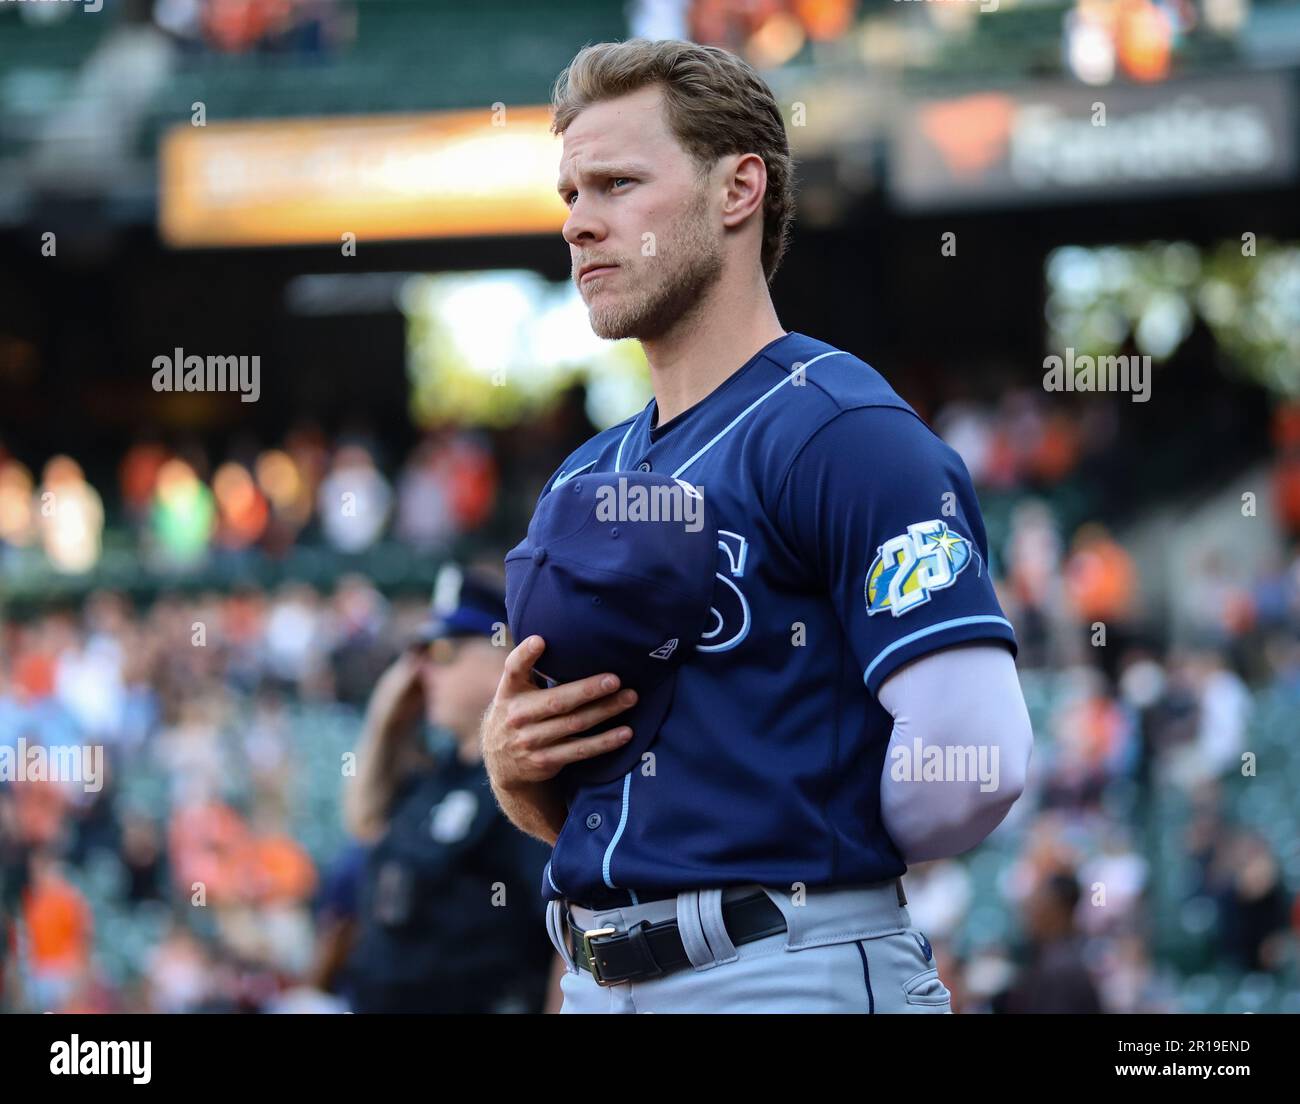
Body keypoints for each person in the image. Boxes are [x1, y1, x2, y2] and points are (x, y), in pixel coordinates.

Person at [481, 38, 1034, 1013]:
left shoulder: (843, 431)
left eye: (615, 184)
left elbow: (975, 763)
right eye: (570, 195)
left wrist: (808, 855)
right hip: (596, 975)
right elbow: (582, 793)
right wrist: (513, 770)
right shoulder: (584, 472)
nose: (578, 224)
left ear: (737, 190)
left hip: (787, 971)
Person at [343, 565, 555, 1013]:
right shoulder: (439, 773)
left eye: (442, 651)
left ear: (504, 654)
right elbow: (364, 820)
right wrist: (387, 715)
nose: (423, 671)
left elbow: (563, 930)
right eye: (417, 655)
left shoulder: (527, 780)